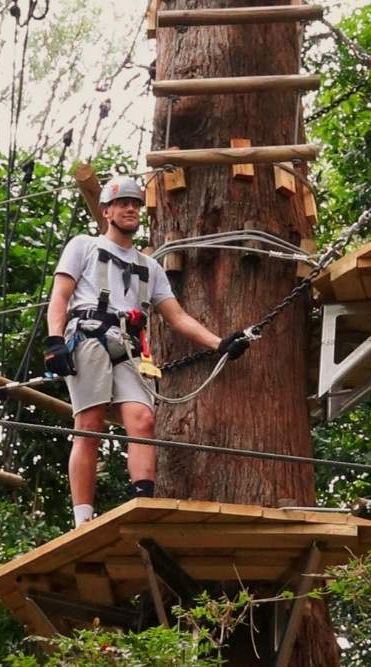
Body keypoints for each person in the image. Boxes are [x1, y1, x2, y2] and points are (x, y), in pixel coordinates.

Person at [43, 174, 253, 527]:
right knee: (90, 425)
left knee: (143, 421)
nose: (130, 209)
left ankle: (143, 502)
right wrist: (54, 340)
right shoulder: (84, 246)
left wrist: (220, 343)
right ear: (106, 211)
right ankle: (82, 518)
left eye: (135, 205)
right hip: (89, 335)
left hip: (129, 346)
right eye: (122, 204)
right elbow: (60, 296)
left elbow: (177, 316)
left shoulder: (149, 266)